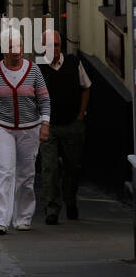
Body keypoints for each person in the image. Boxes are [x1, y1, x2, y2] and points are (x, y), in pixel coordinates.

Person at [0, 27, 50, 234]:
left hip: (29, 128)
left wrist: (45, 124)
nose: (15, 51)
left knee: (26, 175)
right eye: (10, 47)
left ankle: (23, 218)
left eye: (18, 46)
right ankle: (1, 220)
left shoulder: (33, 70)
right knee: (4, 172)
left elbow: (44, 99)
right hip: (1, 127)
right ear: (3, 49)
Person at [38, 27, 91, 224]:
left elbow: (86, 87)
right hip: (48, 125)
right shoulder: (37, 68)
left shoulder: (73, 63)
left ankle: (70, 200)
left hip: (72, 124)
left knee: (73, 167)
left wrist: (80, 115)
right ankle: (52, 209)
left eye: (57, 45)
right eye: (50, 45)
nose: (54, 49)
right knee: (49, 168)